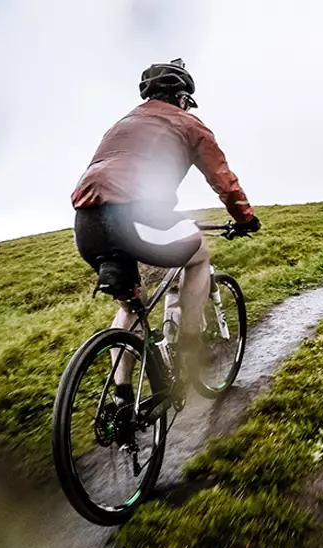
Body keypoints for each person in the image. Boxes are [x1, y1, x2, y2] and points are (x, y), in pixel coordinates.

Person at [70, 58, 259, 402]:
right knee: (198, 253)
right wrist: (245, 218)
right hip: (134, 217)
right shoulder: (189, 124)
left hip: (86, 224)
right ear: (182, 97)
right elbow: (224, 182)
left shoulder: (121, 124)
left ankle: (122, 400)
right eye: (187, 100)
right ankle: (190, 349)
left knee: (130, 306)